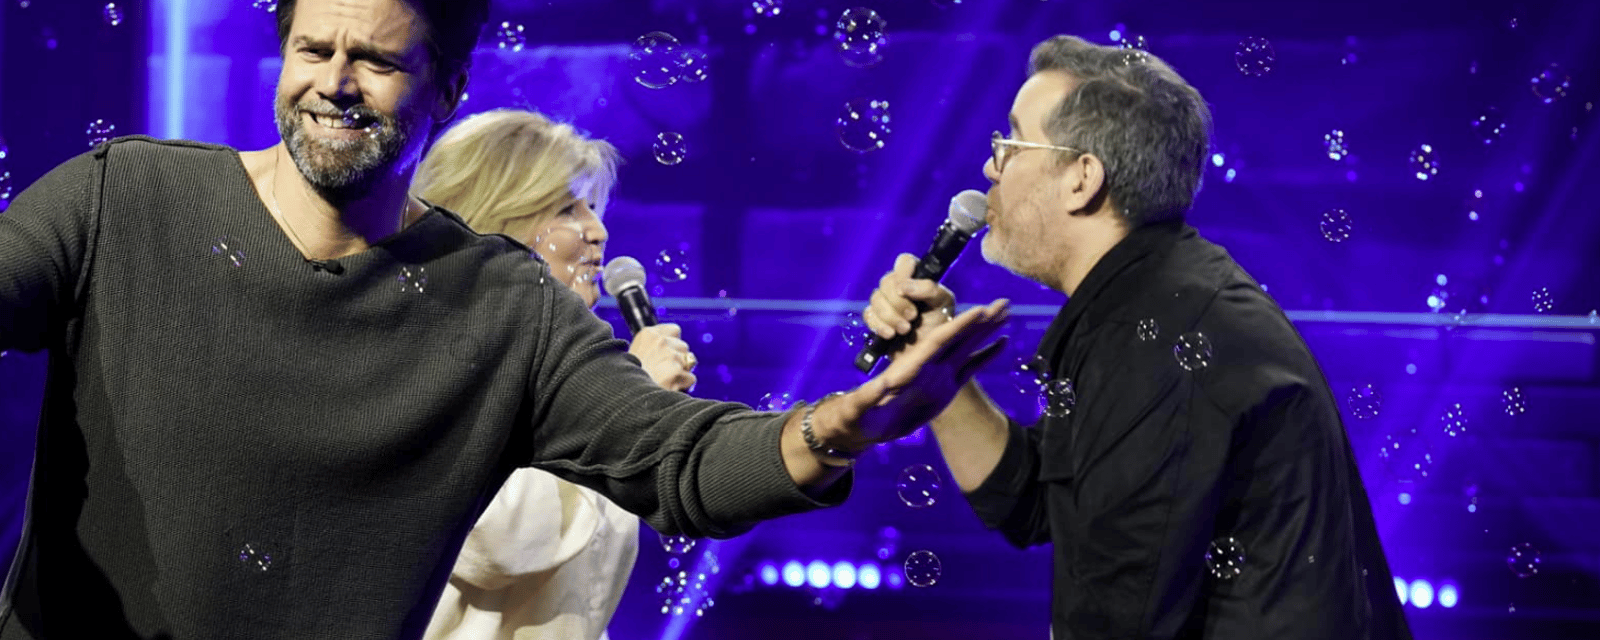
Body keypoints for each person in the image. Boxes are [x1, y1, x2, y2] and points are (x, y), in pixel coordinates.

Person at [0, 0, 1010, 638]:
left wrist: (839, 424)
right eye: (315, 47)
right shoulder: (119, 198)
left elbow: (678, 457)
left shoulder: (500, 303)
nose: (335, 83)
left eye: (377, 59)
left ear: (448, 85)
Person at [862, 35, 1411, 640]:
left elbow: (1120, 619)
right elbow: (1032, 503)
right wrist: (937, 370)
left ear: (1082, 178)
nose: (991, 167)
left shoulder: (1160, 335)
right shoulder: (1149, 302)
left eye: (1010, 144)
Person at [410, 109, 693, 640]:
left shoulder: (562, 367)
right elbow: (506, 544)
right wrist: (633, 406)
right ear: (495, 221)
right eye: (567, 209)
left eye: (592, 206)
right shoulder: (437, 356)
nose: (599, 231)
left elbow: (576, 595)